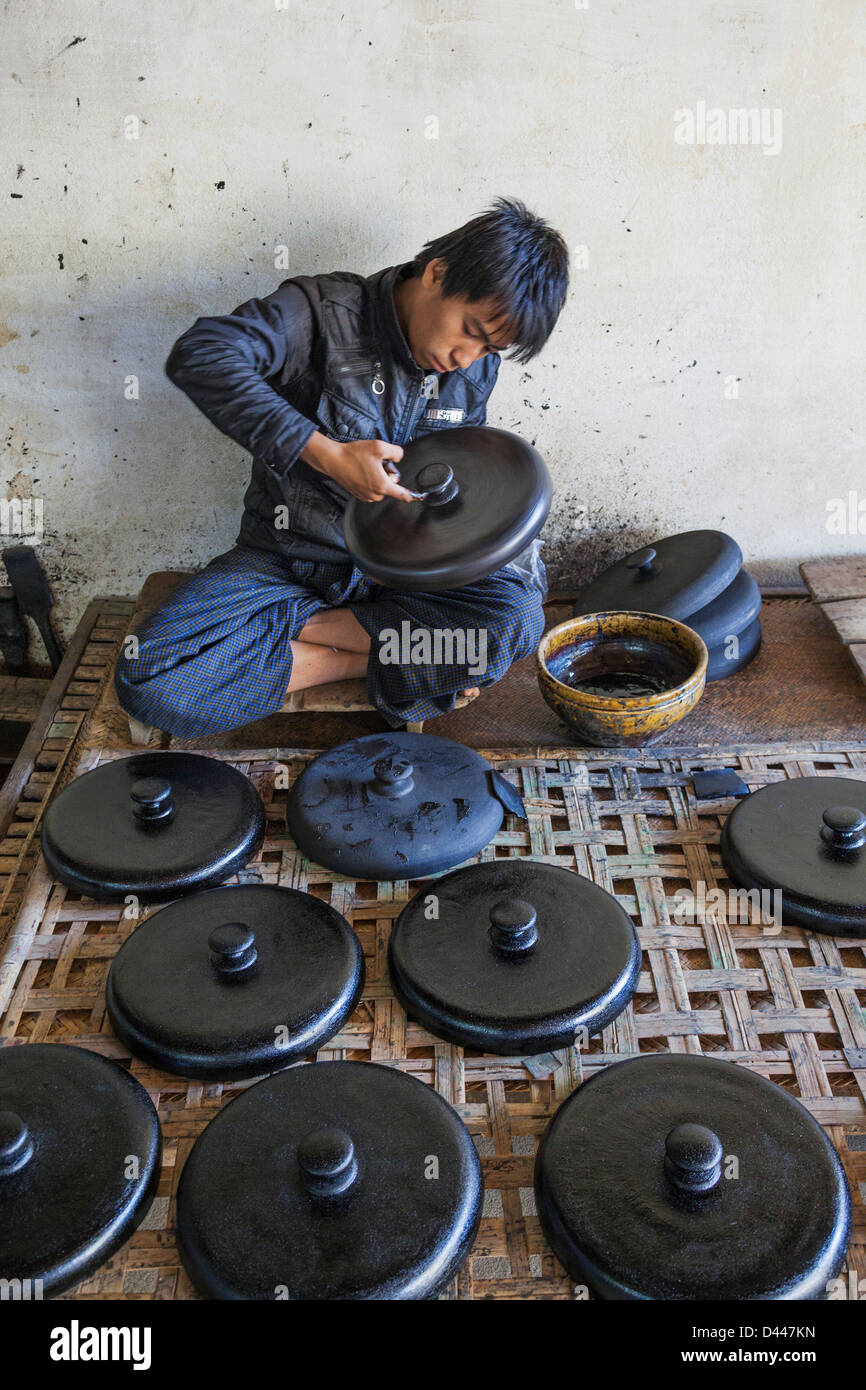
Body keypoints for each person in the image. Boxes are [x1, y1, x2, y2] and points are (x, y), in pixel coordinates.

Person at [114, 197, 569, 736]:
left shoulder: (472, 372)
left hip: (398, 579)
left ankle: (296, 643)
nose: (468, 357)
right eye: (470, 330)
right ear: (437, 273)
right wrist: (327, 455)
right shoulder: (318, 311)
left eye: (490, 347)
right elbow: (203, 354)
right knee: (151, 676)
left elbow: (456, 488)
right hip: (287, 561)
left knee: (516, 621)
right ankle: (377, 662)